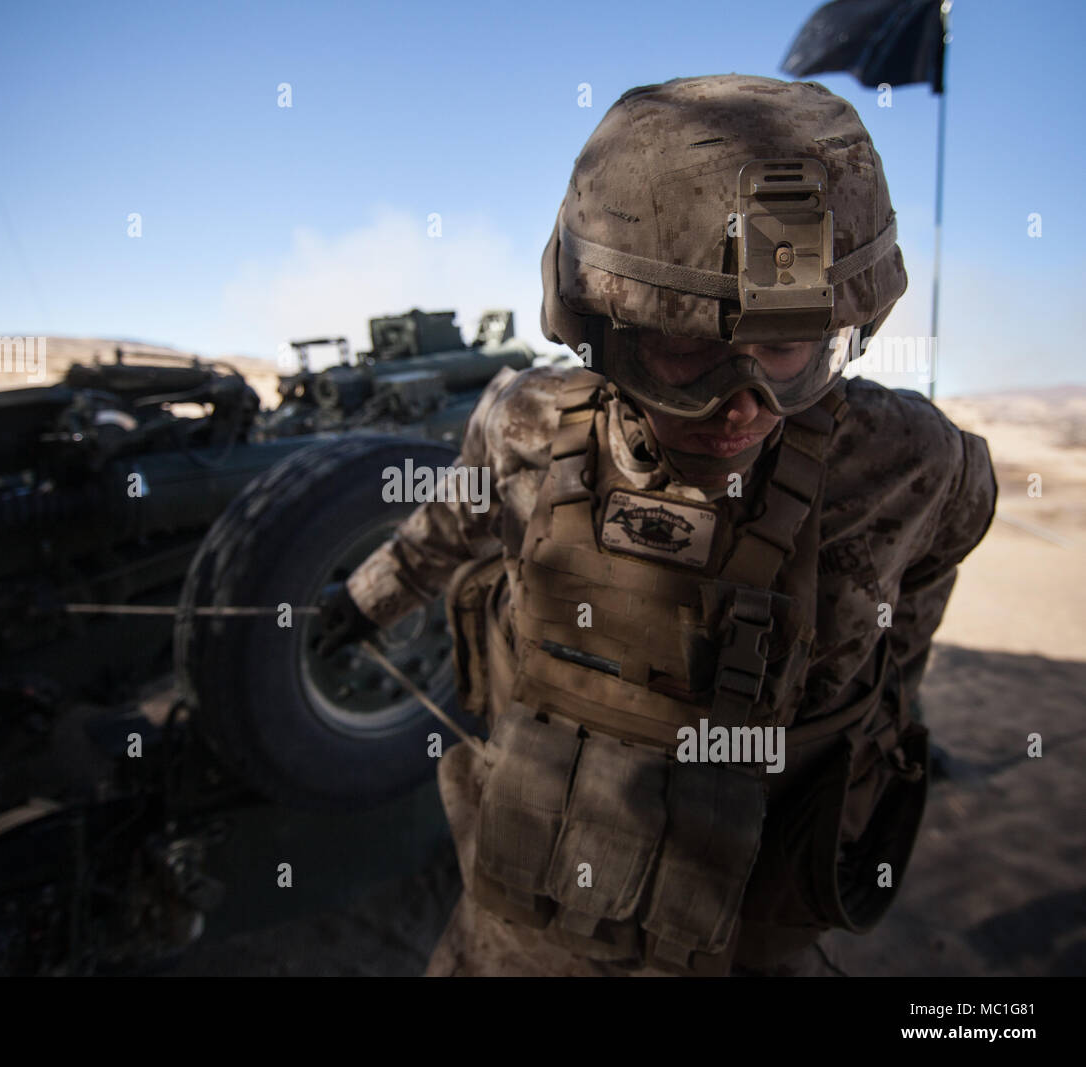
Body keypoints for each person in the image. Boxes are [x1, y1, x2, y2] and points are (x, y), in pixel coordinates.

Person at [318, 75, 997, 976]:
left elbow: (943, 545)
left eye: (789, 352)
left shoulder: (911, 459)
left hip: (748, 932)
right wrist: (360, 605)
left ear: (847, 328)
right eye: (688, 354)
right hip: (525, 922)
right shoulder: (527, 426)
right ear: (601, 330)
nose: (741, 408)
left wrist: (883, 697)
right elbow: (446, 525)